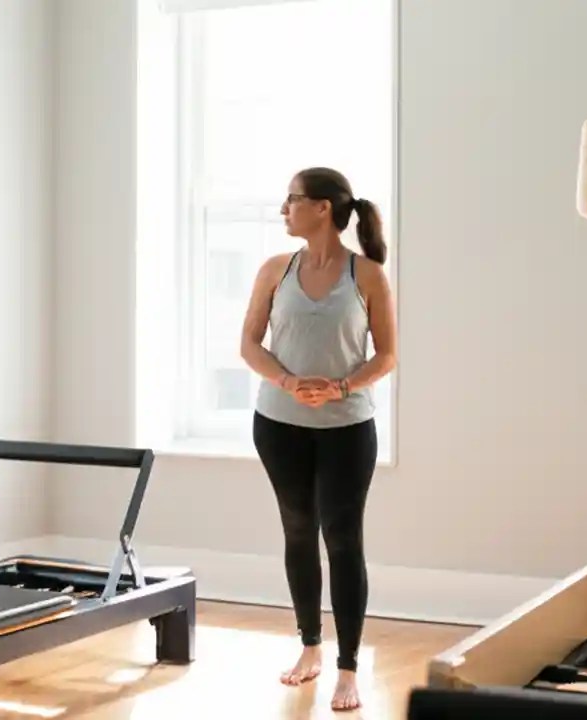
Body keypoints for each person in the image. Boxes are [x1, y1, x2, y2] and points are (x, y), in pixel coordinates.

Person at [239, 167, 397, 712]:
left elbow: (387, 355)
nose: (285, 210)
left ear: (323, 209)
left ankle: (348, 668)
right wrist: (287, 382)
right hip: (278, 427)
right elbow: (250, 346)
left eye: (293, 201)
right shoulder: (273, 271)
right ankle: (310, 647)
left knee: (343, 539)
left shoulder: (368, 275)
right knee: (298, 531)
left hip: (348, 430)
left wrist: (341, 387)